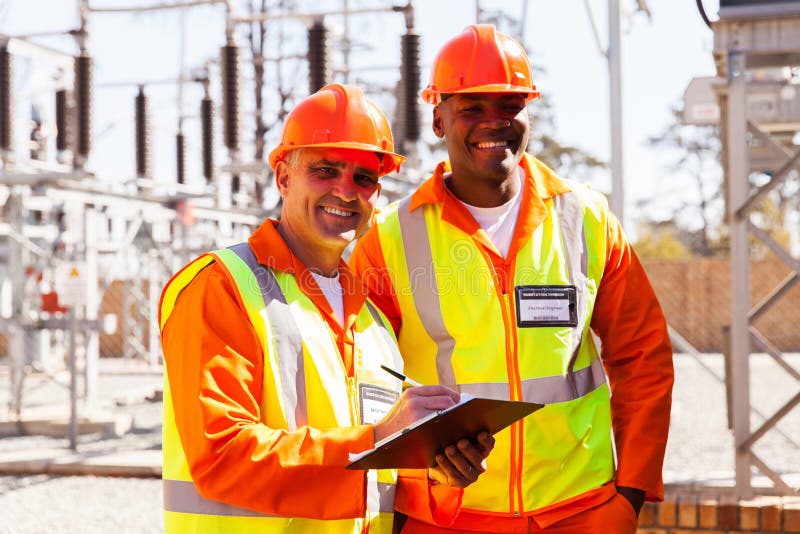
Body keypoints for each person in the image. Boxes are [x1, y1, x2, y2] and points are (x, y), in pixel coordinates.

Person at [350, 25, 674, 533]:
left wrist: (630, 493)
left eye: (509, 105)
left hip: (580, 513)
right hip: (446, 517)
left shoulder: (586, 219)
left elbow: (642, 357)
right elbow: (360, 382)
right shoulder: (388, 238)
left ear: (528, 112)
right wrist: (415, 479)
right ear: (438, 117)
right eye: (472, 107)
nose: (493, 122)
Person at [159, 83, 495, 533]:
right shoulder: (222, 287)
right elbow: (222, 454)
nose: (345, 191)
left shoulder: (371, 321)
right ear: (283, 178)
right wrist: (377, 438)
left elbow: (378, 475)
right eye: (325, 170)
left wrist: (438, 470)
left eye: (364, 178)